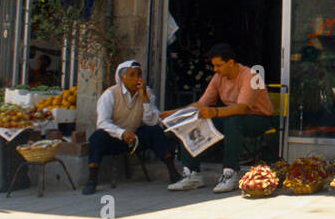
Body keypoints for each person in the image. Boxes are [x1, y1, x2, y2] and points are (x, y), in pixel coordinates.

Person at [168, 42, 274, 194]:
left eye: (218, 65)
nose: (215, 69)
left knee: (233, 120)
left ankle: (230, 172)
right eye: (214, 66)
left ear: (230, 63)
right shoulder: (218, 77)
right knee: (193, 121)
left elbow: (241, 108)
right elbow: (202, 103)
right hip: (232, 117)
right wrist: (176, 113)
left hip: (258, 118)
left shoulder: (250, 75)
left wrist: (215, 112)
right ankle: (192, 173)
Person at [83, 59, 181, 195]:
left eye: (139, 75)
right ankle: (92, 180)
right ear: (122, 77)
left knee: (154, 131)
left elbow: (152, 121)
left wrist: (145, 100)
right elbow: (102, 122)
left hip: (135, 138)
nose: (137, 79)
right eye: (132, 75)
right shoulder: (110, 94)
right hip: (115, 138)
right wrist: (121, 133)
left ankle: (173, 173)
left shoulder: (146, 93)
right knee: (97, 137)